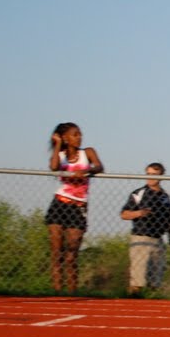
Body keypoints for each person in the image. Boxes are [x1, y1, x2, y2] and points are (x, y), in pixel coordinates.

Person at [47, 122, 102, 293]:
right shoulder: (61, 155)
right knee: (57, 253)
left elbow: (99, 167)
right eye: (75, 134)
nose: (79, 137)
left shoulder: (87, 152)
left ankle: (72, 293)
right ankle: (57, 292)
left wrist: (86, 172)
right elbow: (54, 167)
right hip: (59, 204)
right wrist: (57, 145)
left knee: (71, 255)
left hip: (78, 207)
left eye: (80, 134)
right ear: (65, 138)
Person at [120, 162, 170, 296]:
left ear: (162, 176)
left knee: (155, 280)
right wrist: (139, 213)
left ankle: (152, 303)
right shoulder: (139, 193)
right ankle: (132, 302)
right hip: (141, 238)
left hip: (158, 239)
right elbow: (124, 214)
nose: (151, 177)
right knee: (137, 279)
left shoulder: (165, 197)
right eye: (148, 174)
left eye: (155, 175)